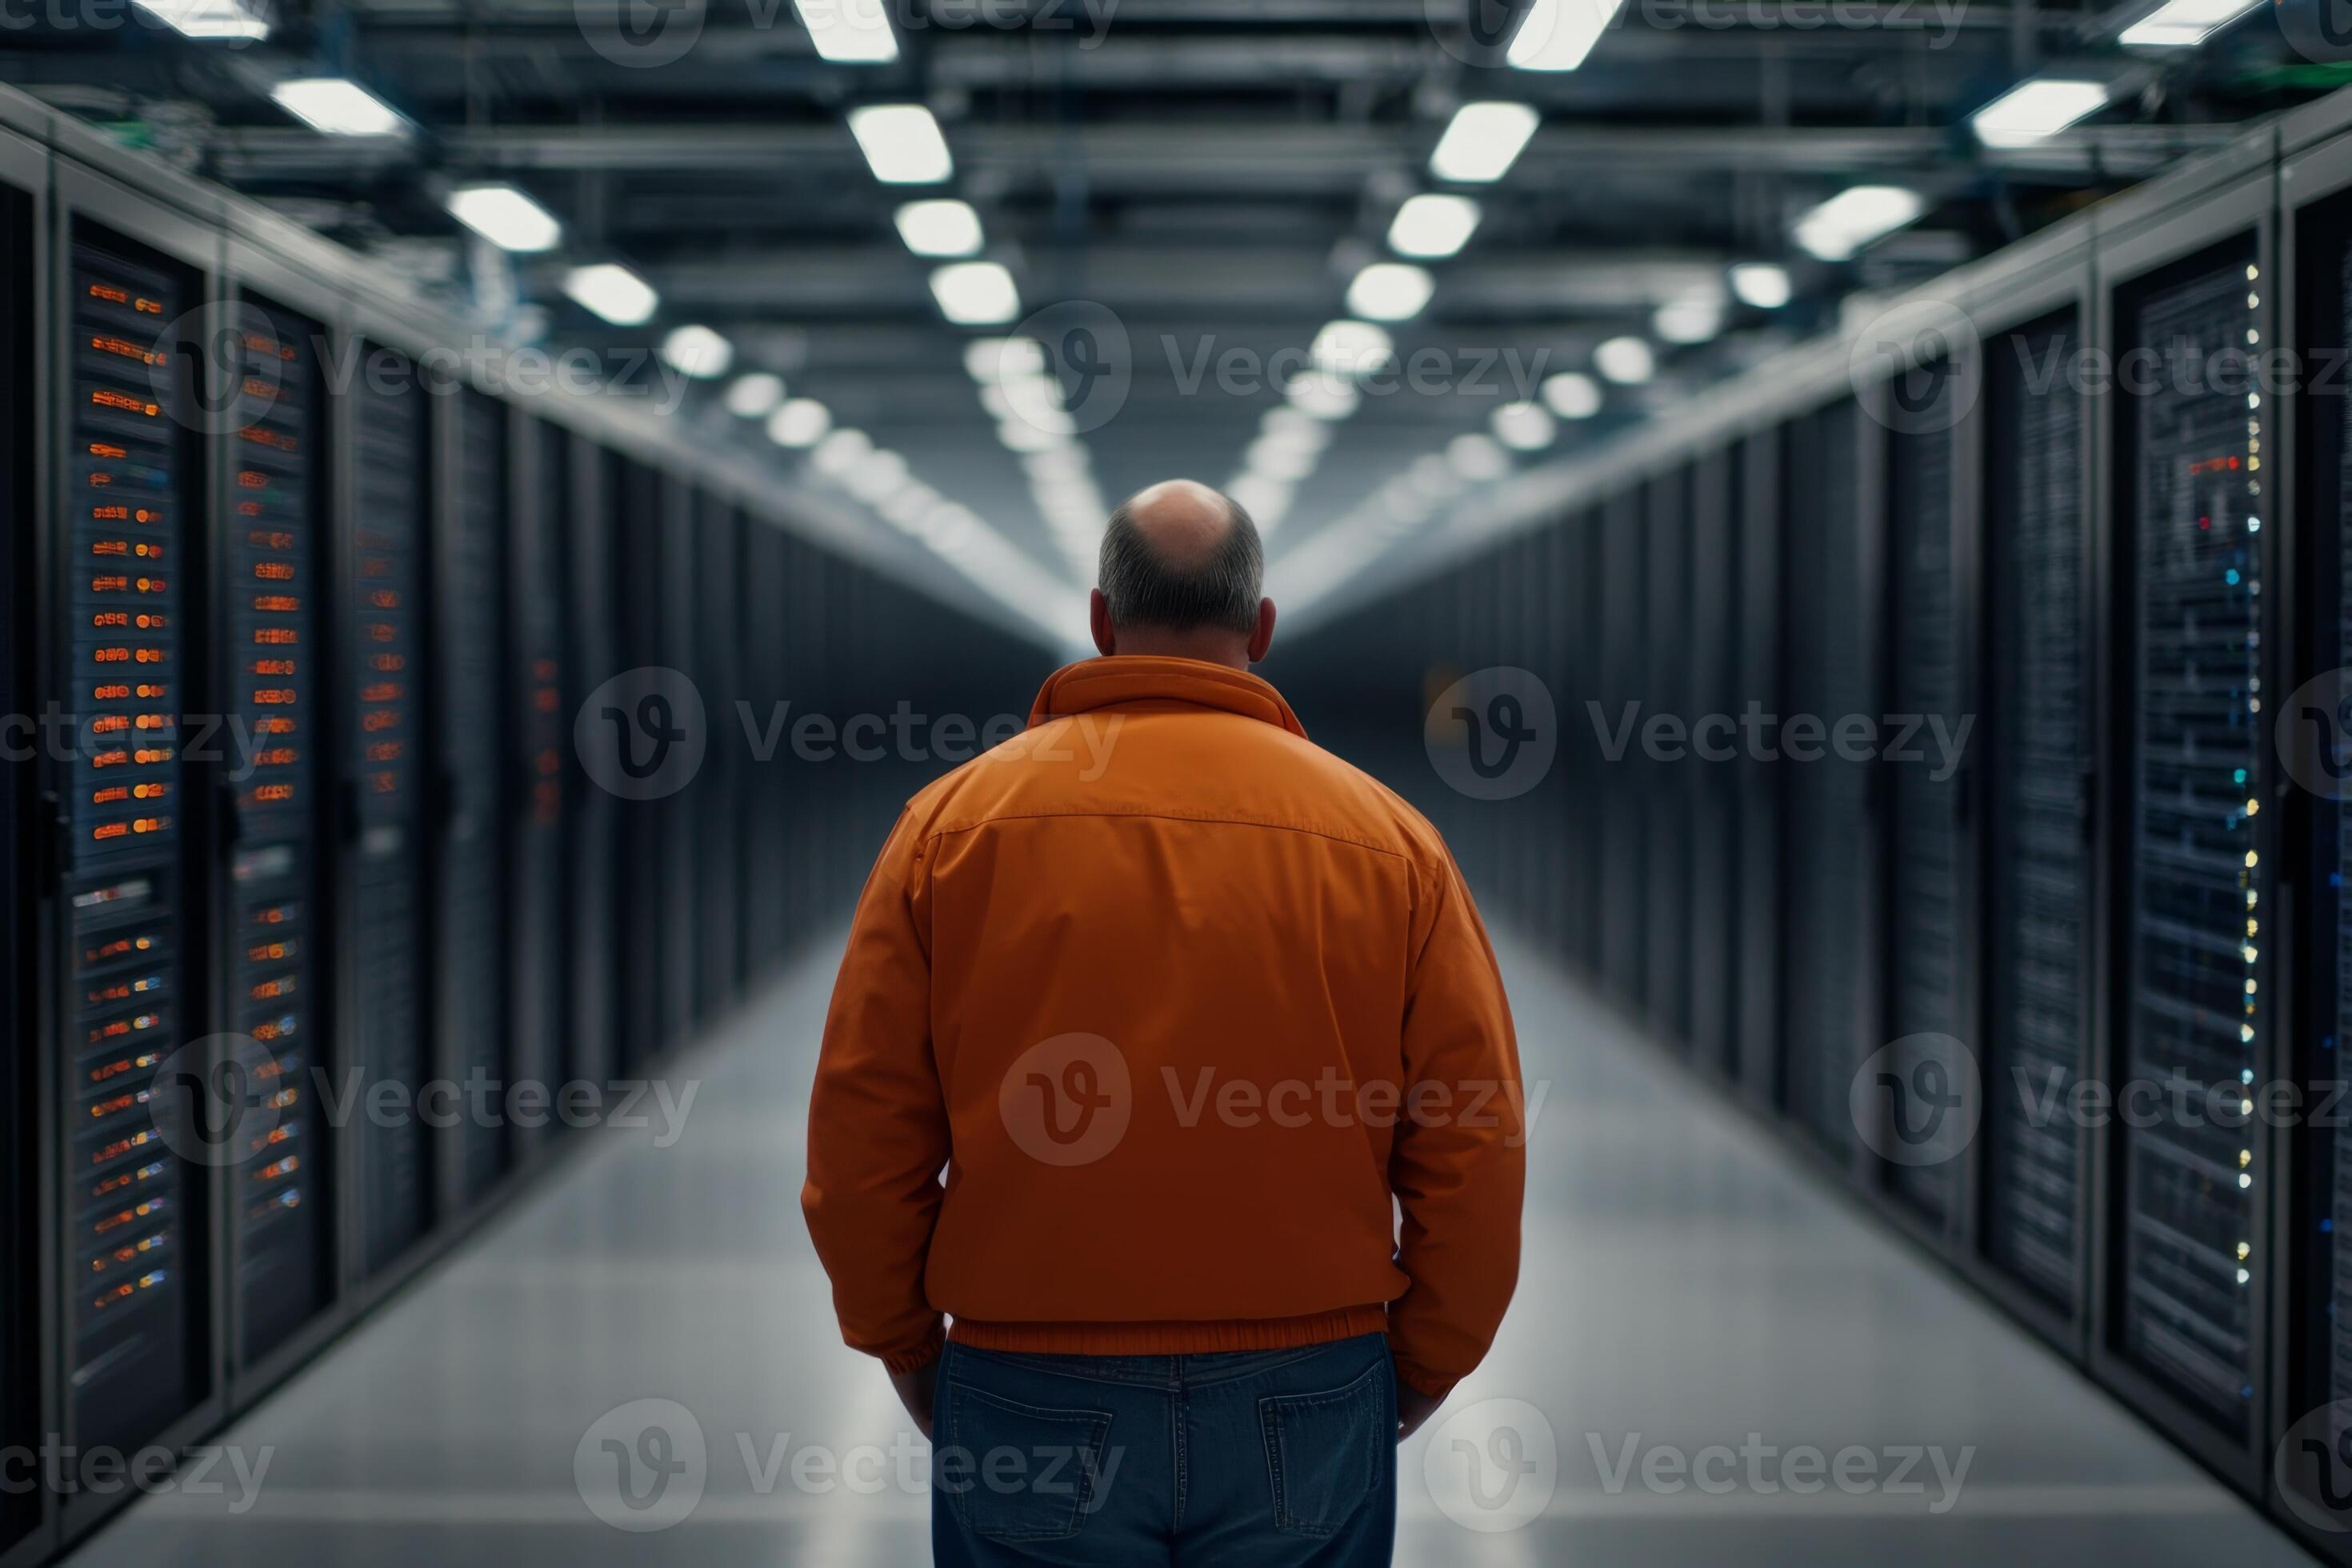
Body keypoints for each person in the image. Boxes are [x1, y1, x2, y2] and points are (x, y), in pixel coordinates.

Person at [802, 478, 1526, 1566]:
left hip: (1028, 1376)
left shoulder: (951, 830)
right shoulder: (1390, 843)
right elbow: (1473, 1136)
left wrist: (904, 1345)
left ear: (1100, 619)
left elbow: (863, 1128)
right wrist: (1426, 1359)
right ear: (1261, 628)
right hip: (1310, 1379)